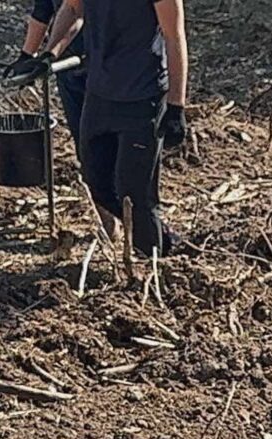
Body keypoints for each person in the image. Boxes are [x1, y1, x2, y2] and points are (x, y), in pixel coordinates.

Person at [43, 0, 188, 256]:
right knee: (95, 179)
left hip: (143, 96)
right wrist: (48, 55)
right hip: (98, 93)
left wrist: (176, 105)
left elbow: (173, 35)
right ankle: (159, 238)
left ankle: (150, 260)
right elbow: (73, 8)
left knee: (134, 192)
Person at [4, 0, 88, 146]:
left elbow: (76, 12)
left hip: (105, 64)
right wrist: (27, 56)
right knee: (82, 136)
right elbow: (43, 9)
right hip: (66, 63)